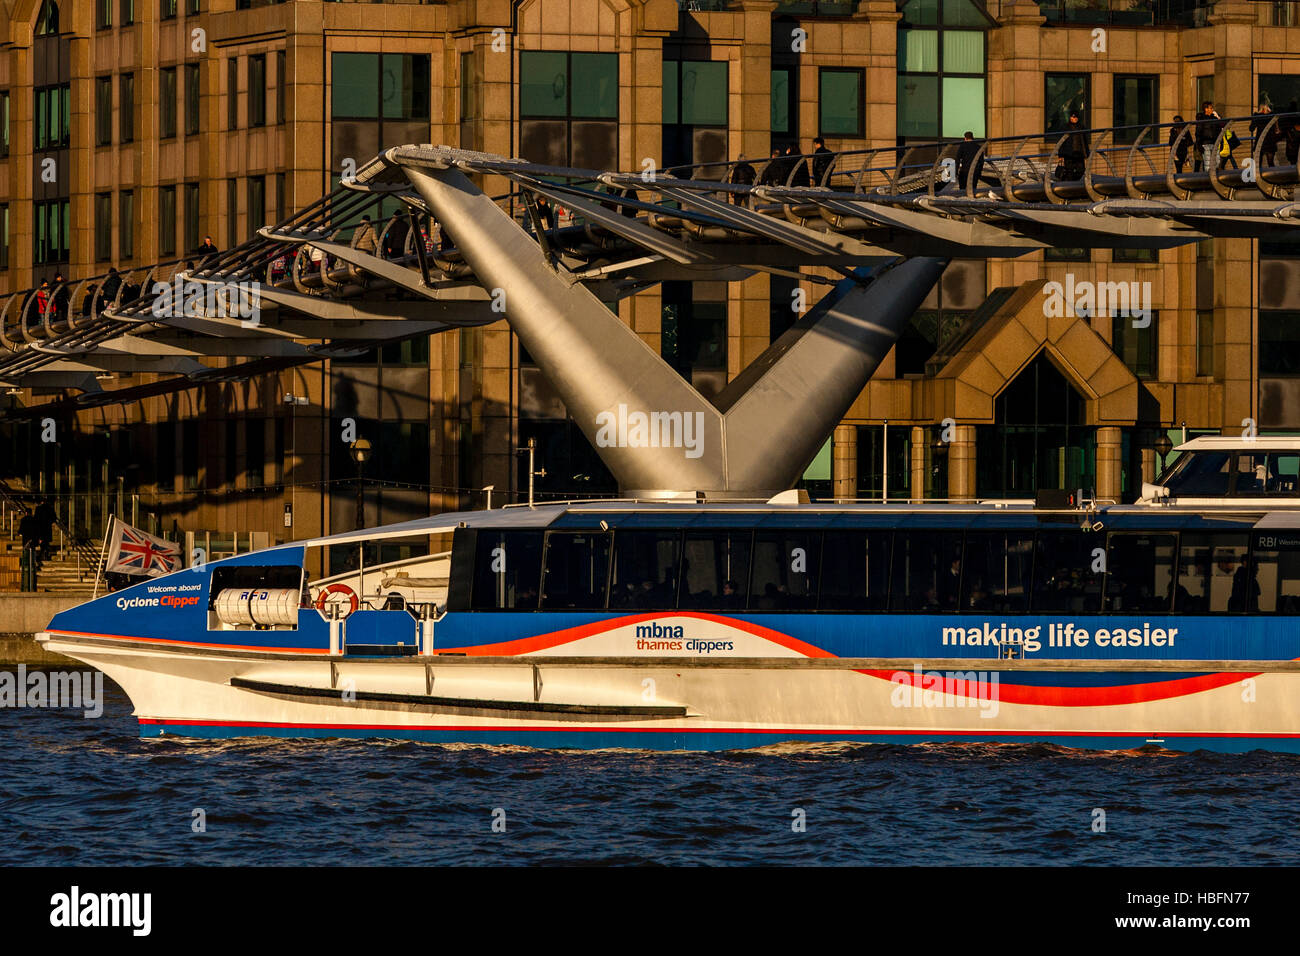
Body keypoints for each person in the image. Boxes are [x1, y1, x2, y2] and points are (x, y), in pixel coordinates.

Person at [1194, 100, 1226, 172]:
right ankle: (1208, 178)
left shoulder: (1214, 119)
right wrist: (1199, 145)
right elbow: (1198, 133)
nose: (1212, 110)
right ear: (1206, 109)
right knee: (1207, 164)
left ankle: (1215, 177)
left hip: (1215, 143)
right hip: (1205, 144)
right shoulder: (1201, 120)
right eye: (1211, 108)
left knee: (1217, 162)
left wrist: (1222, 142)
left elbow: (1219, 131)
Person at [1057, 110, 1088, 181]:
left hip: (1079, 153)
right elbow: (1061, 142)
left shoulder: (1081, 127)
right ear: (1070, 117)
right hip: (1068, 154)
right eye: (1073, 117)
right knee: (1069, 171)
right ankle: (1069, 185)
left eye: (1076, 117)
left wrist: (1086, 153)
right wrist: (1060, 155)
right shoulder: (1065, 127)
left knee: (1081, 170)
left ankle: (1072, 182)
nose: (1075, 118)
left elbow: (1084, 141)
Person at [1251, 101, 1281, 167]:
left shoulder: (1258, 117)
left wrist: (1254, 118)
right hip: (1270, 141)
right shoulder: (1272, 117)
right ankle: (1273, 176)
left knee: (1258, 163)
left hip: (1260, 141)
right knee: (1270, 163)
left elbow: (1251, 128)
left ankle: (1258, 176)